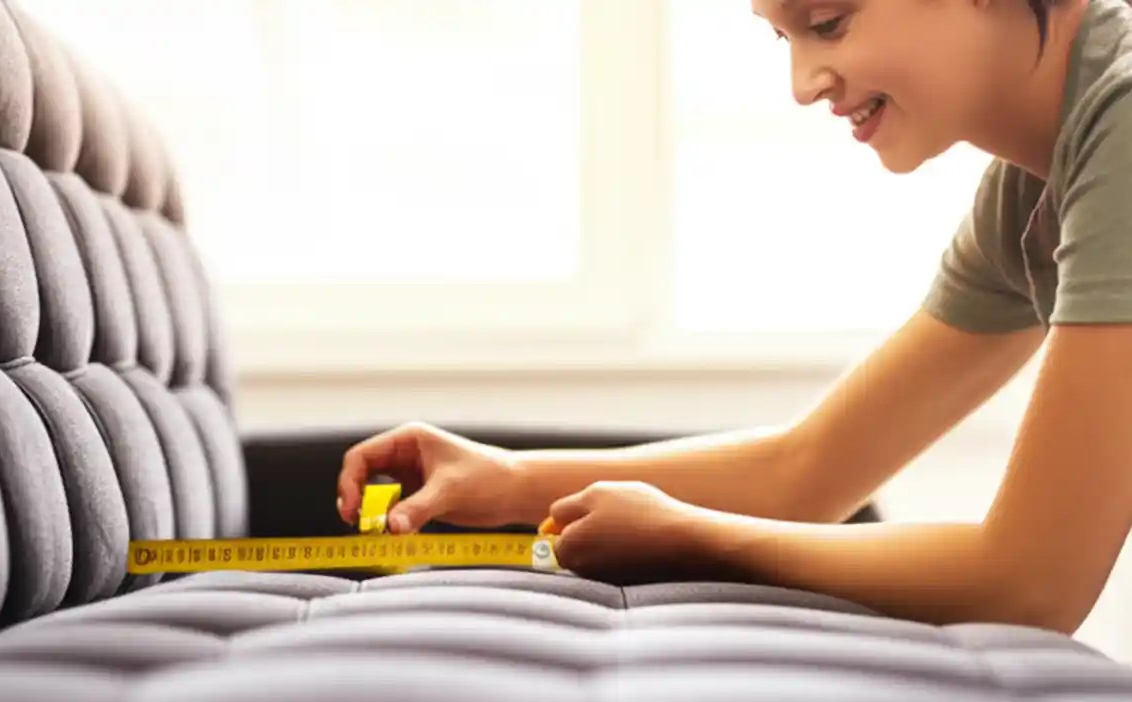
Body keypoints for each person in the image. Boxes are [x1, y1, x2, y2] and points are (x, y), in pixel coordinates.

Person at [336, 0, 1132, 636]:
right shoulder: (1033, 190)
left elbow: (1032, 582)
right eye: (782, 37)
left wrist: (696, 536)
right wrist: (511, 479)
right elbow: (809, 471)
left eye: (829, 23)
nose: (803, 82)